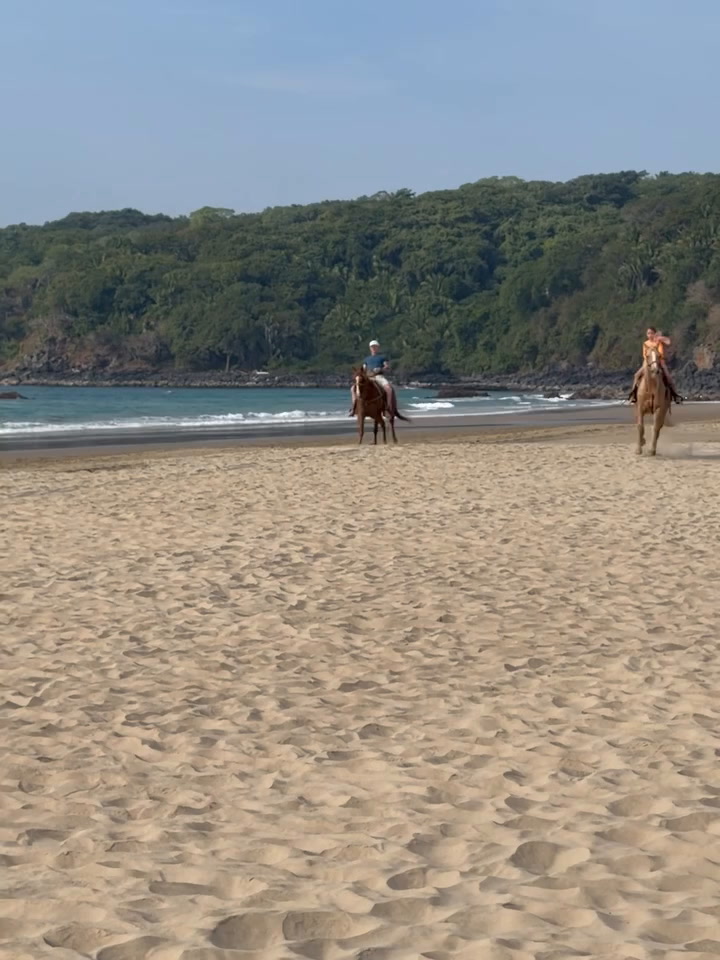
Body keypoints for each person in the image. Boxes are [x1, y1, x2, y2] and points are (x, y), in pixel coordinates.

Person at [629, 326, 681, 403]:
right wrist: (649, 361)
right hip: (648, 362)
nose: (650, 335)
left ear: (655, 334)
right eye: (648, 333)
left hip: (660, 361)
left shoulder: (658, 341)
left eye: (651, 333)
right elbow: (644, 354)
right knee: (636, 375)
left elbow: (668, 342)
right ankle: (633, 395)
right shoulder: (645, 343)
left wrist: (660, 337)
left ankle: (675, 395)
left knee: (668, 376)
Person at [349, 339, 394, 415]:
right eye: (372, 347)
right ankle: (354, 407)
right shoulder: (367, 359)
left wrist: (381, 368)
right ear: (370, 348)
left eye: (375, 347)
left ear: (378, 348)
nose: (374, 348)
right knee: (353, 388)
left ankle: (388, 407)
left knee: (389, 389)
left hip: (379, 376)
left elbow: (386, 366)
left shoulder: (382, 357)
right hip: (368, 377)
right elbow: (364, 368)